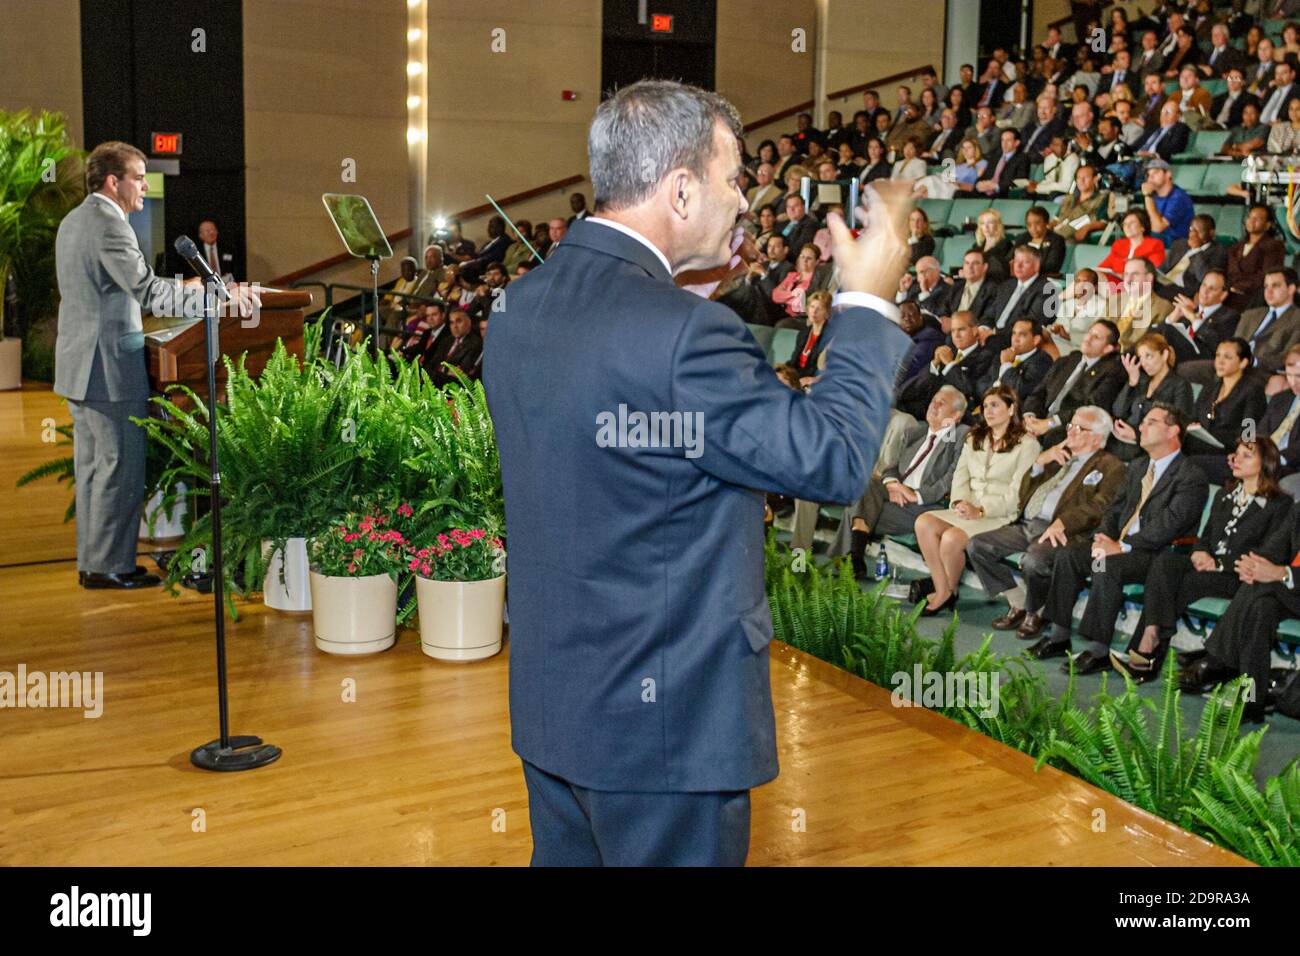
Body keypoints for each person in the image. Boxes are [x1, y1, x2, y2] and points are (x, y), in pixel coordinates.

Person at [482, 80, 913, 866]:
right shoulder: (685, 336)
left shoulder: (521, 304)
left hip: (556, 706)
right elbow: (834, 457)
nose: (745, 201)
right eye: (734, 178)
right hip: (664, 736)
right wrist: (867, 302)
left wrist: (677, 301)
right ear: (681, 190)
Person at [54, 142, 258, 589]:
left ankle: (95, 563)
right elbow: (148, 294)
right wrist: (220, 295)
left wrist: (188, 284)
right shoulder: (110, 225)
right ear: (114, 181)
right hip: (108, 368)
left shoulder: (75, 220)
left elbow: (112, 288)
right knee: (119, 470)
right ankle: (111, 568)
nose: (145, 186)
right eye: (139, 177)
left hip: (81, 366)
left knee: (92, 472)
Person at [1028, 403, 1210, 672]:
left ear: (1173, 430)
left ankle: (1098, 649)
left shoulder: (1191, 476)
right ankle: (1058, 634)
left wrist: (1122, 546)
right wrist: (1103, 536)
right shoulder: (1138, 467)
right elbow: (1115, 509)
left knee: (1107, 567)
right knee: (1068, 556)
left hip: (1155, 554)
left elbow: (1169, 525)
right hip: (1118, 545)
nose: (1141, 427)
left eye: (1151, 422)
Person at [1114, 437, 1291, 684]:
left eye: (1246, 456)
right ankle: (1150, 637)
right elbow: (1205, 536)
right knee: (1165, 563)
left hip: (1237, 576)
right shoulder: (1225, 495)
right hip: (1207, 566)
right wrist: (1199, 551)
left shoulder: (1279, 505)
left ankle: (1147, 654)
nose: (1236, 459)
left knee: (1176, 586)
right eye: (1236, 453)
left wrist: (1220, 564)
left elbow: (1270, 554)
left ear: (1266, 464)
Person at [967, 406, 1124, 636]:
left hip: (1064, 531)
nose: (1070, 431)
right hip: (1029, 523)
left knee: (1034, 561)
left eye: (1079, 428)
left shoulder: (1111, 466)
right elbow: (1023, 494)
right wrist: (1040, 461)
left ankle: (1036, 612)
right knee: (977, 546)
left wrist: (1064, 522)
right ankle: (1018, 601)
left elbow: (1100, 506)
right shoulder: (1059, 454)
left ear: (1097, 437)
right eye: (1070, 425)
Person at [912, 384, 1041, 615]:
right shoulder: (974, 438)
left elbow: (1017, 495)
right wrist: (960, 503)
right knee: (923, 522)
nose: (988, 411)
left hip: (998, 513)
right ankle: (944, 589)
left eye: (995, 405)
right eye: (985, 406)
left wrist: (980, 510)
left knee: (951, 538)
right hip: (968, 508)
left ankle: (945, 594)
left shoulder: (1028, 445)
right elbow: (960, 477)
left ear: (1011, 409)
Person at [831, 386, 971, 576]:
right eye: (933, 400)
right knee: (865, 484)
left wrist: (915, 495)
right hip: (895, 497)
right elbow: (892, 468)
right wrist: (893, 485)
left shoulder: (960, 435)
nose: (934, 405)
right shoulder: (916, 432)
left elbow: (950, 479)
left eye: (942, 403)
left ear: (955, 415)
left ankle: (853, 556)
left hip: (927, 506)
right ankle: (855, 560)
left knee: (857, 509)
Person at [1023, 319, 1128, 445]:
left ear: (1107, 348)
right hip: (1037, 422)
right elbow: (1039, 393)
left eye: (1096, 337)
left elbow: (1089, 408)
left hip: (1065, 431)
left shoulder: (1112, 372)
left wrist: (1049, 423)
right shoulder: (1068, 360)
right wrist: (1030, 416)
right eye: (1089, 333)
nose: (1088, 339)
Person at [1182, 338, 1268, 481]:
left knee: (1184, 463)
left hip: (1227, 453)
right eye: (1218, 356)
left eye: (1227, 357)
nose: (1220, 362)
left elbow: (1248, 434)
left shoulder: (1252, 391)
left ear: (1243, 362)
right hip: (1200, 445)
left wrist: (1217, 438)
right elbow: (1193, 417)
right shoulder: (1210, 387)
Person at [1111, 332, 1195, 455]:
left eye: (1149, 356)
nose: (1144, 363)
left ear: (1164, 355)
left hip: (1149, 450)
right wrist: (1132, 383)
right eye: (1141, 358)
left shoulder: (1179, 385)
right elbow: (1118, 411)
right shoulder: (1142, 381)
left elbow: (1178, 426)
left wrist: (1136, 434)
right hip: (1123, 443)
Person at [1164, 269, 1240, 366]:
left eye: (1211, 288)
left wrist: (1193, 318)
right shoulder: (1190, 310)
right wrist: (1173, 317)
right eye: (1204, 285)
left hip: (1196, 361)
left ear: (1223, 295)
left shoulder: (1229, 316)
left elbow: (1218, 344)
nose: (1205, 291)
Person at [1154, 214, 1227, 302]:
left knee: (1150, 295)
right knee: (1140, 284)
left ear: (1211, 233)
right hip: (1163, 283)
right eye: (1191, 229)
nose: (1193, 234)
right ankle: (1139, 314)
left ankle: (1145, 313)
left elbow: (1204, 277)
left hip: (1184, 290)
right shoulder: (1180, 244)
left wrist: (1197, 249)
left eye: (1199, 231)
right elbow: (1163, 269)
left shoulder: (1218, 251)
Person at [1097, 208, 1166, 286]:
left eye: (1132, 223)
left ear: (1142, 227)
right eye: (1125, 224)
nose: (1127, 226)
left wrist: (1123, 275)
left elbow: (1153, 273)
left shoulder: (1154, 245)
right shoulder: (1119, 245)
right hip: (1114, 288)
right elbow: (1101, 268)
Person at [1140, 158, 1194, 247]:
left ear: (1168, 174)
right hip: (1162, 240)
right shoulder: (1154, 196)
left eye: (1156, 172)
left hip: (1178, 243)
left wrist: (1148, 196)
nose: (1151, 177)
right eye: (1148, 174)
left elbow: (1158, 228)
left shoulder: (1178, 198)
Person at [788, 290, 833, 383]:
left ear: (827, 313)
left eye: (819, 308)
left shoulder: (830, 337)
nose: (814, 311)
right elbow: (793, 362)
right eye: (812, 307)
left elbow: (826, 369)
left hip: (812, 381)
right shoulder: (803, 333)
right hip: (797, 377)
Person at [1012, 205, 1067, 274]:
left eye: (1037, 223)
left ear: (1046, 223)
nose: (1033, 228)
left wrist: (1028, 268)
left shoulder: (1057, 240)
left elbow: (1052, 266)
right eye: (1029, 224)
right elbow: (1010, 258)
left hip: (1043, 277)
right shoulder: (1023, 237)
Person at [969, 208, 1013, 281]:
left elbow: (1002, 270)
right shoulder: (976, 246)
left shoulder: (1005, 245)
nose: (986, 226)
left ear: (997, 225)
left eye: (990, 223)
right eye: (983, 223)